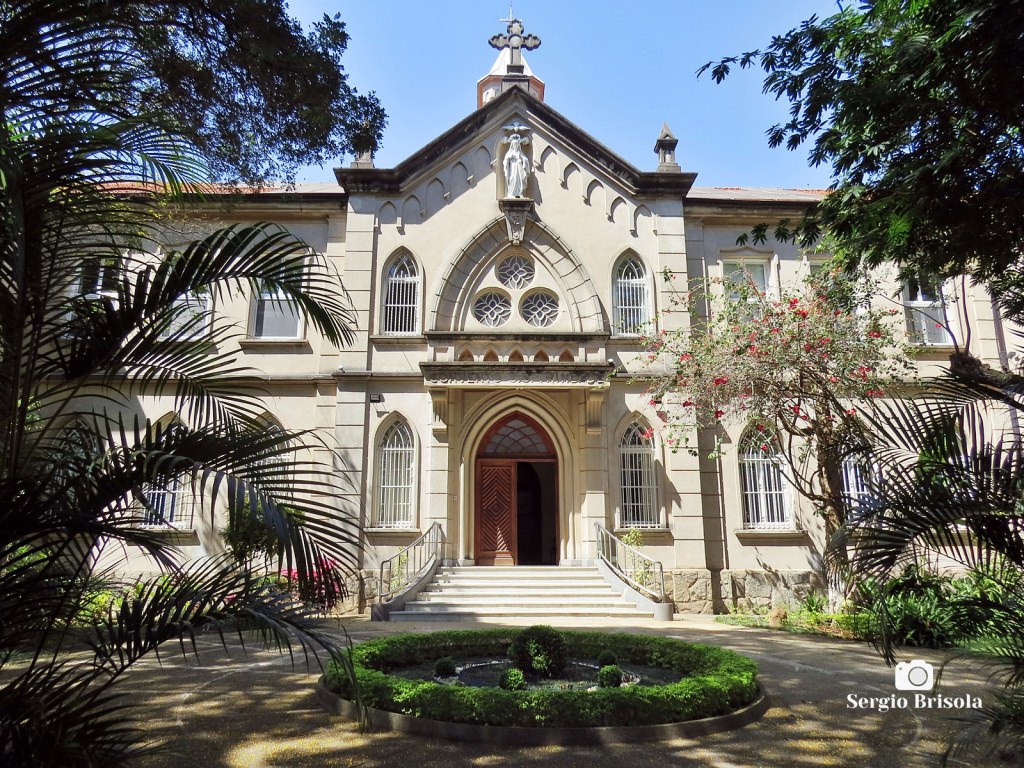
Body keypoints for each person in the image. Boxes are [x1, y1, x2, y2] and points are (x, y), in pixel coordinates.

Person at [503, 133, 530, 198]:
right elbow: (505, 161)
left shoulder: (520, 153)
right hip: (512, 168)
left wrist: (522, 159)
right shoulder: (510, 153)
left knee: (519, 179)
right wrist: (509, 158)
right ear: (512, 145)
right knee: (512, 178)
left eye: (517, 145)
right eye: (514, 144)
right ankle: (511, 193)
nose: (515, 146)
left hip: (519, 168)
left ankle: (519, 193)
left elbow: (526, 160)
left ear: (518, 146)